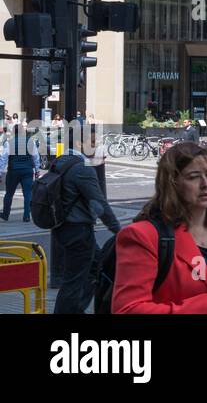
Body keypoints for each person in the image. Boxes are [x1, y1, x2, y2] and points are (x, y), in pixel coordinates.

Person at [113, 142, 207, 314]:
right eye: (193, 177)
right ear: (172, 183)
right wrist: (204, 308)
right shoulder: (143, 236)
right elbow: (127, 309)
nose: (205, 184)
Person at [50, 133, 122, 313]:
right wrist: (119, 231)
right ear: (77, 142)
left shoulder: (61, 161)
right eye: (90, 142)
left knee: (96, 266)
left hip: (62, 228)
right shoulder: (82, 168)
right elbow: (100, 204)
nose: (94, 145)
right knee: (73, 280)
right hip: (79, 232)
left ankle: (76, 308)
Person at [1, 121, 42, 223]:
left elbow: (4, 158)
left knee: (9, 193)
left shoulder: (9, 142)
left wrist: (0, 172)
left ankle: (5, 214)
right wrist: (37, 170)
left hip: (13, 170)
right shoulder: (30, 141)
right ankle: (27, 215)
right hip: (27, 170)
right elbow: (36, 156)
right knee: (27, 193)